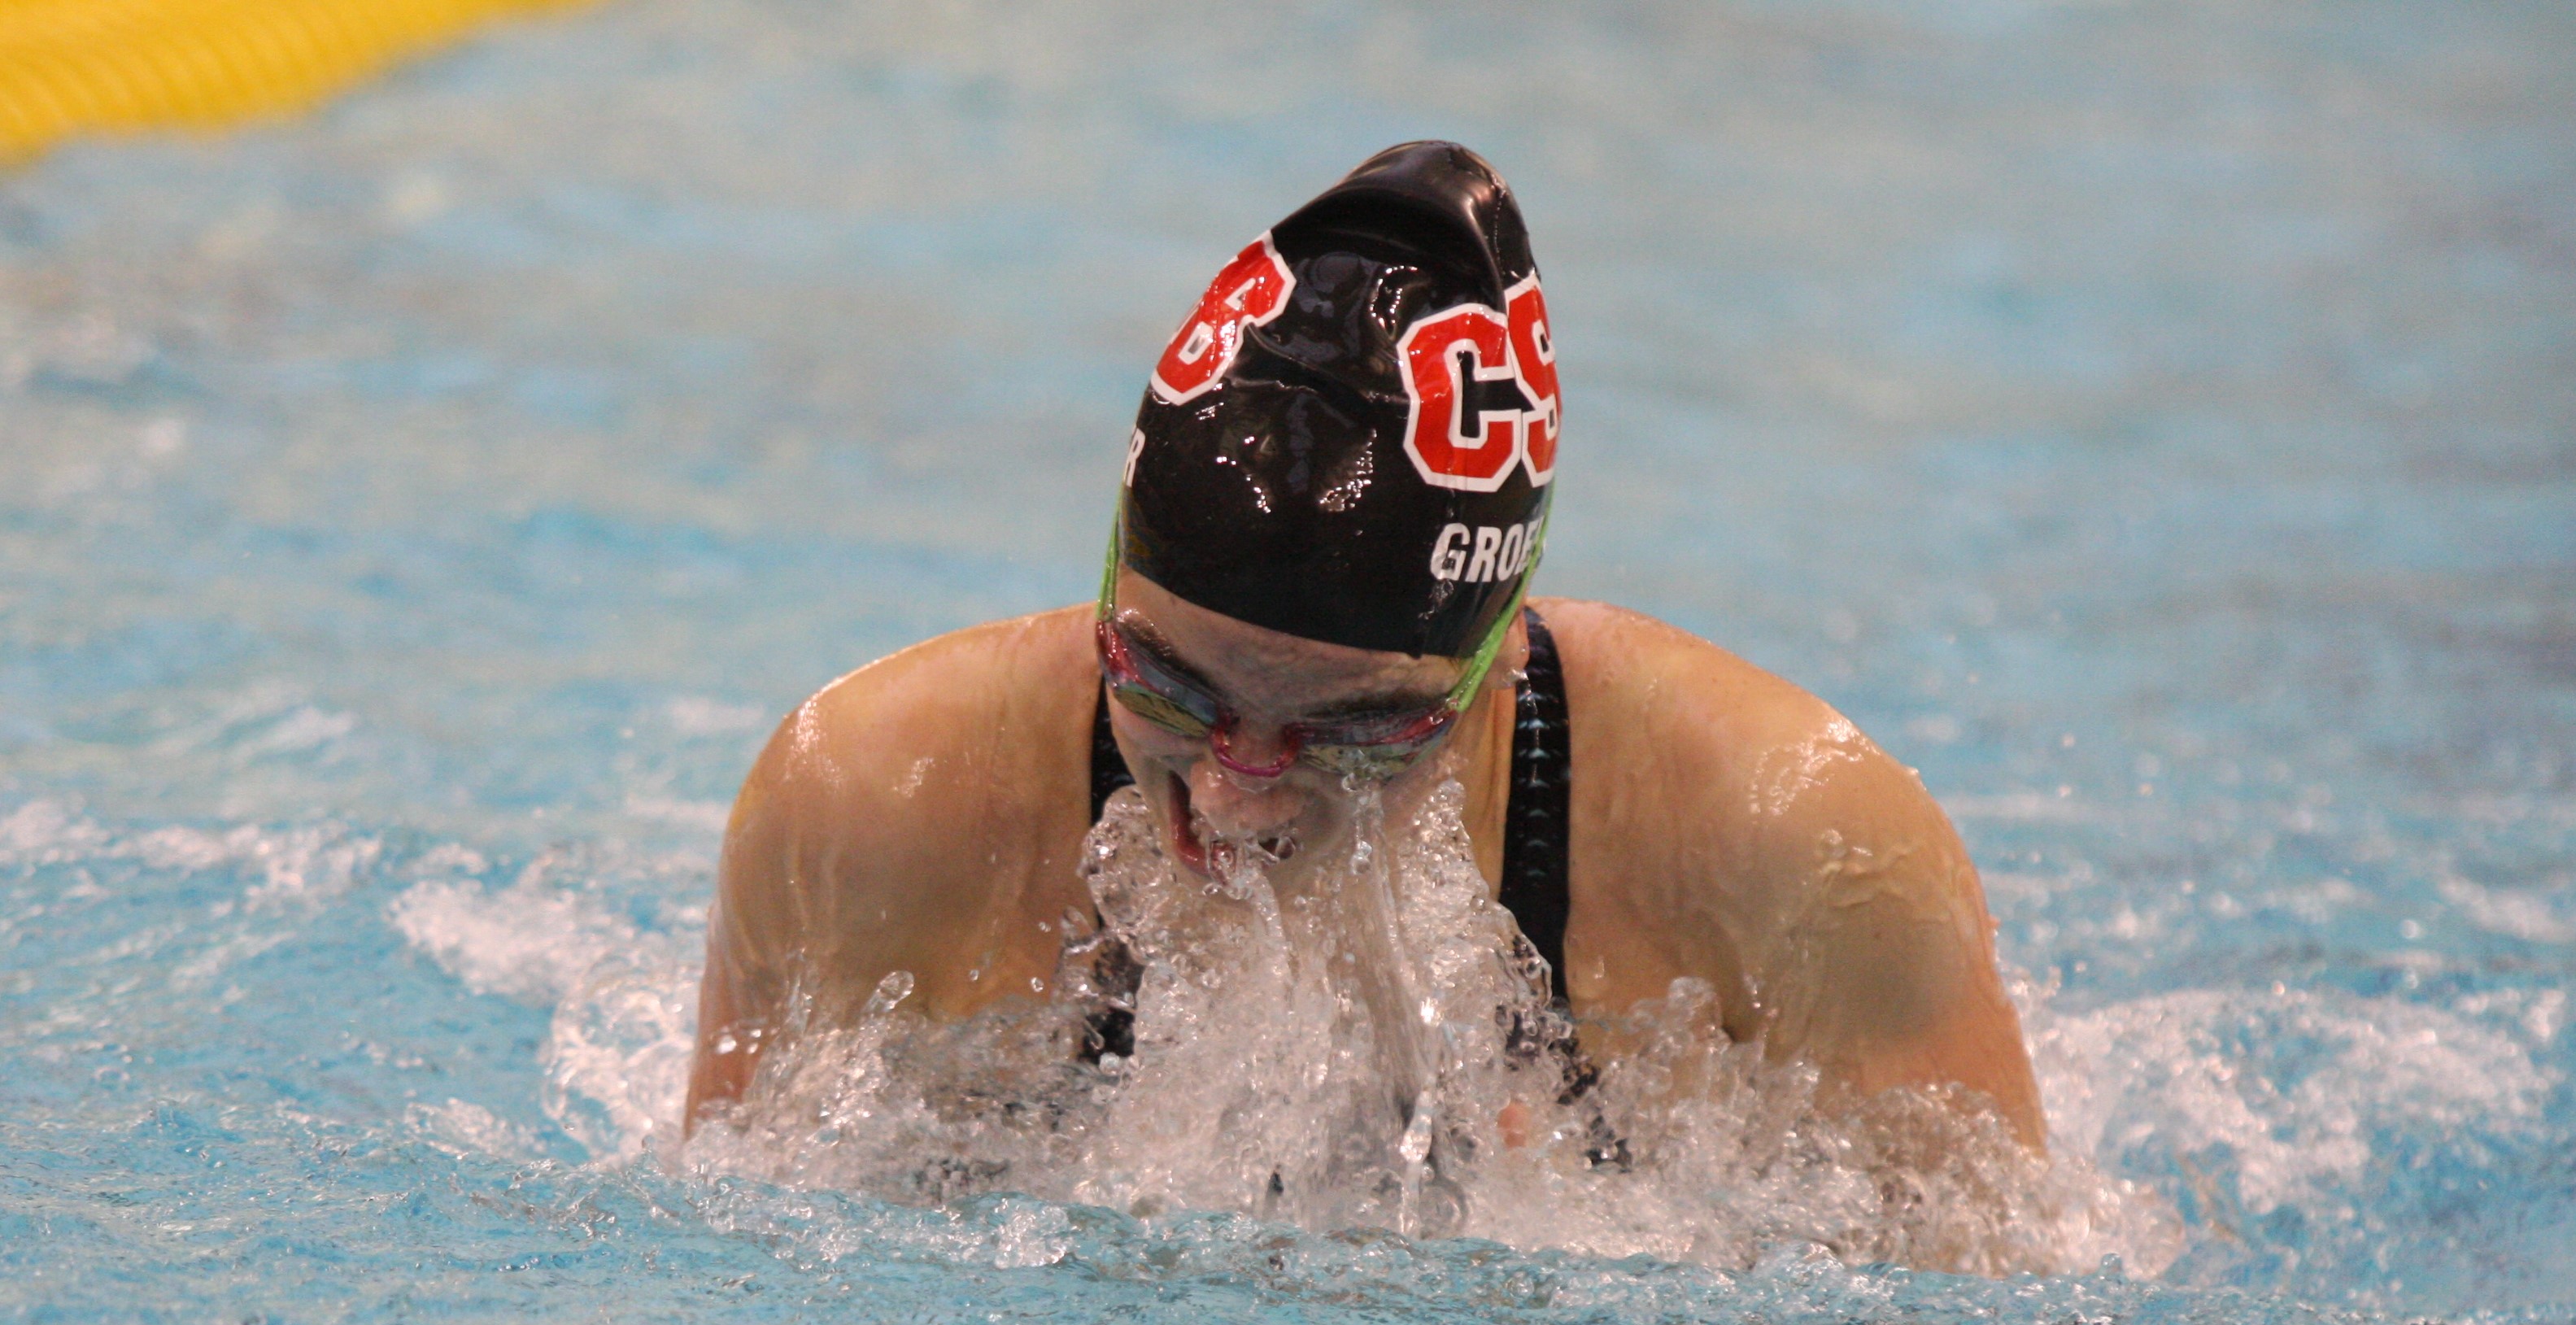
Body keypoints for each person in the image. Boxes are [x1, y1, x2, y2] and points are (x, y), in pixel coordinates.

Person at [685, 141, 2043, 1157]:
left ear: (1495, 657)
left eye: (1354, 728)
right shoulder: (865, 806)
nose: (1234, 786)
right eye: (1168, 682)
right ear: (1108, 595)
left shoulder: (1797, 859)